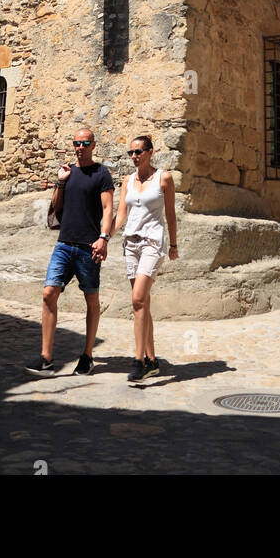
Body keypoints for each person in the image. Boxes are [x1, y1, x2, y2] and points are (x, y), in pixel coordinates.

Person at [25, 126, 114, 377]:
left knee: (91, 299)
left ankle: (87, 355)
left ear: (93, 145)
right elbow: (55, 206)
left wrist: (103, 238)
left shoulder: (101, 174)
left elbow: (108, 210)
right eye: (77, 143)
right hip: (64, 244)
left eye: (86, 144)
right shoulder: (68, 172)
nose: (81, 148)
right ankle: (46, 358)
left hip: (88, 247)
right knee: (48, 293)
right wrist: (60, 182)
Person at [111, 134, 178, 382]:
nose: (134, 156)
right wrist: (104, 236)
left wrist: (173, 244)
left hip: (152, 243)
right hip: (130, 244)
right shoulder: (127, 181)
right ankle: (152, 360)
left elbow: (170, 214)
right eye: (131, 153)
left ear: (150, 152)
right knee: (144, 304)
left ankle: (138, 361)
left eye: (138, 152)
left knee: (137, 299)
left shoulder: (164, 178)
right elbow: (120, 216)